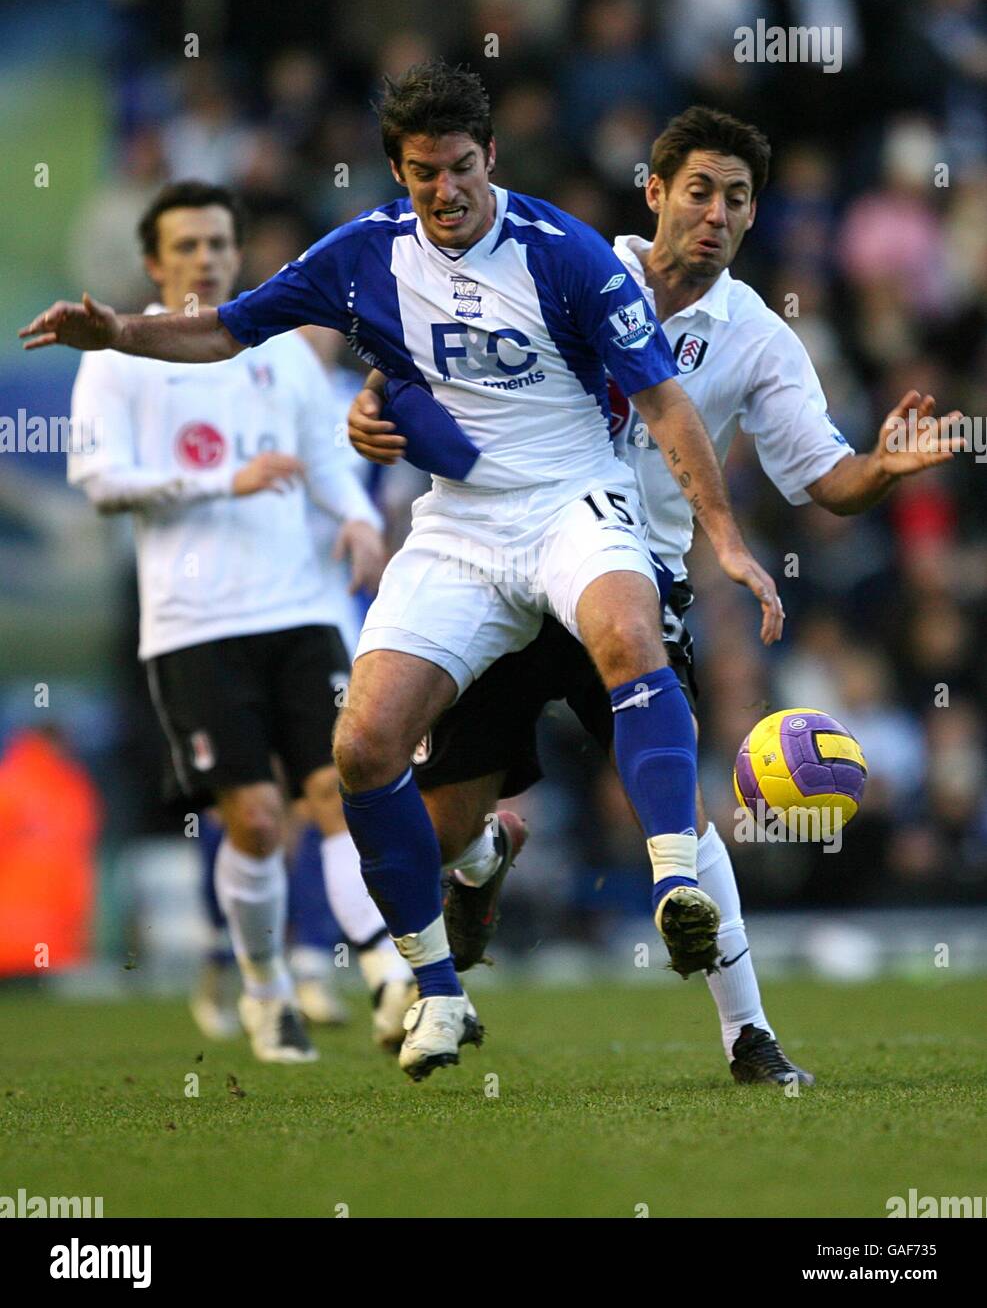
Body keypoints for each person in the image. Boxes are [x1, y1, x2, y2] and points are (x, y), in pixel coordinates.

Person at [23, 63, 783, 1082]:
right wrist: (121, 332)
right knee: (364, 746)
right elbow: (231, 324)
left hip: (572, 502)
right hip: (461, 530)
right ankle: (433, 990)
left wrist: (722, 534)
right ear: (397, 169)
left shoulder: (566, 254)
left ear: (490, 160)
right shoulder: (363, 255)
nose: (447, 191)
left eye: (463, 169)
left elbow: (665, 406)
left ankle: (675, 889)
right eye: (425, 173)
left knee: (625, 633)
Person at [352, 104, 964, 1086]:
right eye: (697, 191)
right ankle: (475, 866)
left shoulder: (757, 334)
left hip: (628, 584)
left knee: (672, 808)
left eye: (735, 198)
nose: (714, 214)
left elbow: (823, 477)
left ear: (753, 214)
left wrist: (884, 467)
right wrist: (374, 407)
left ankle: (748, 1033)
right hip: (507, 562)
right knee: (447, 817)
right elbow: (434, 363)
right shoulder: (569, 264)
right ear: (654, 193)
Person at [64, 180, 415, 1063]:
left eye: (219, 242)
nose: (206, 258)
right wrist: (228, 481)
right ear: (154, 262)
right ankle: (264, 989)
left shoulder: (281, 352)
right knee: (256, 820)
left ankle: (387, 974)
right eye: (185, 246)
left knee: (339, 793)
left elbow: (328, 458)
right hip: (193, 624)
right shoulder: (116, 357)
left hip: (299, 608)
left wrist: (360, 521)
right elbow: (101, 482)